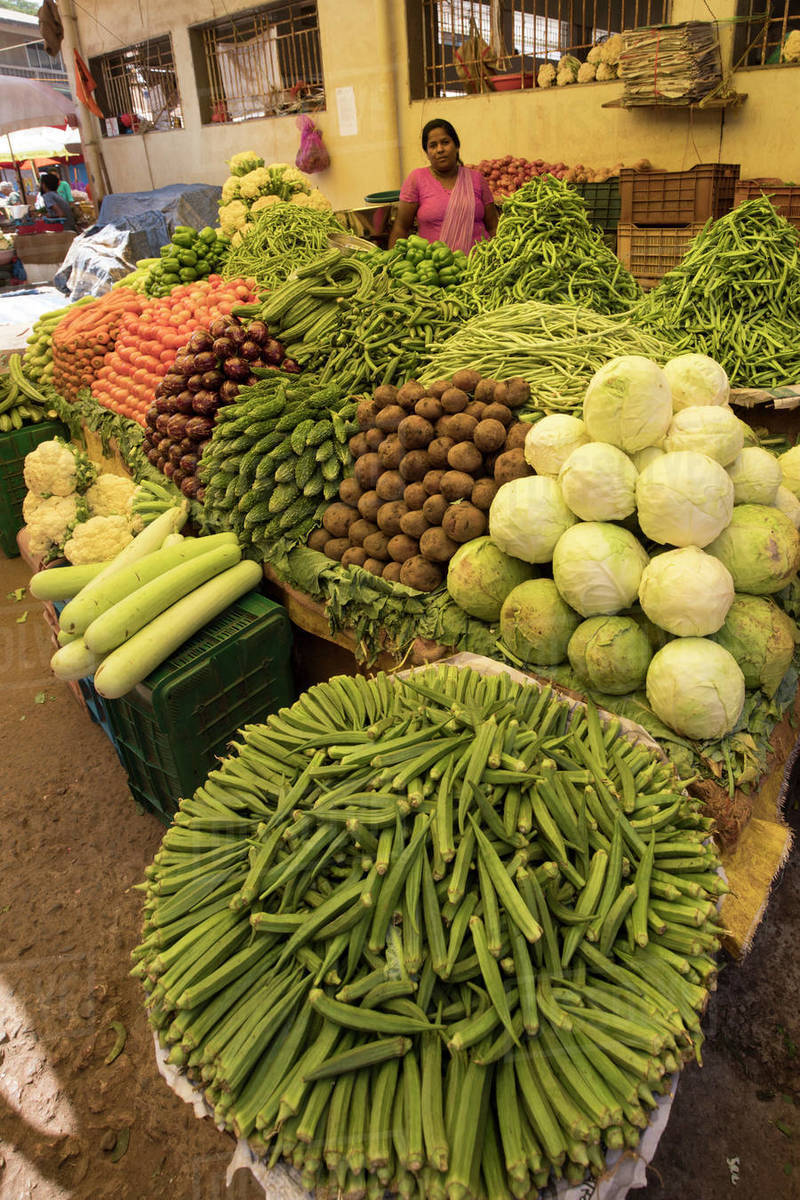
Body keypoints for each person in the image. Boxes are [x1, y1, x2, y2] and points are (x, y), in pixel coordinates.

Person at [389, 119, 498, 253]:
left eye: (445, 142)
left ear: (457, 146)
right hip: (435, 268)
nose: (440, 149)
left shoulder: (476, 179)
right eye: (433, 145)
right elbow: (401, 227)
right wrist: (391, 263)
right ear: (427, 152)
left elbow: (493, 226)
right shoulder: (416, 179)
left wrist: (500, 258)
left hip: (480, 265)